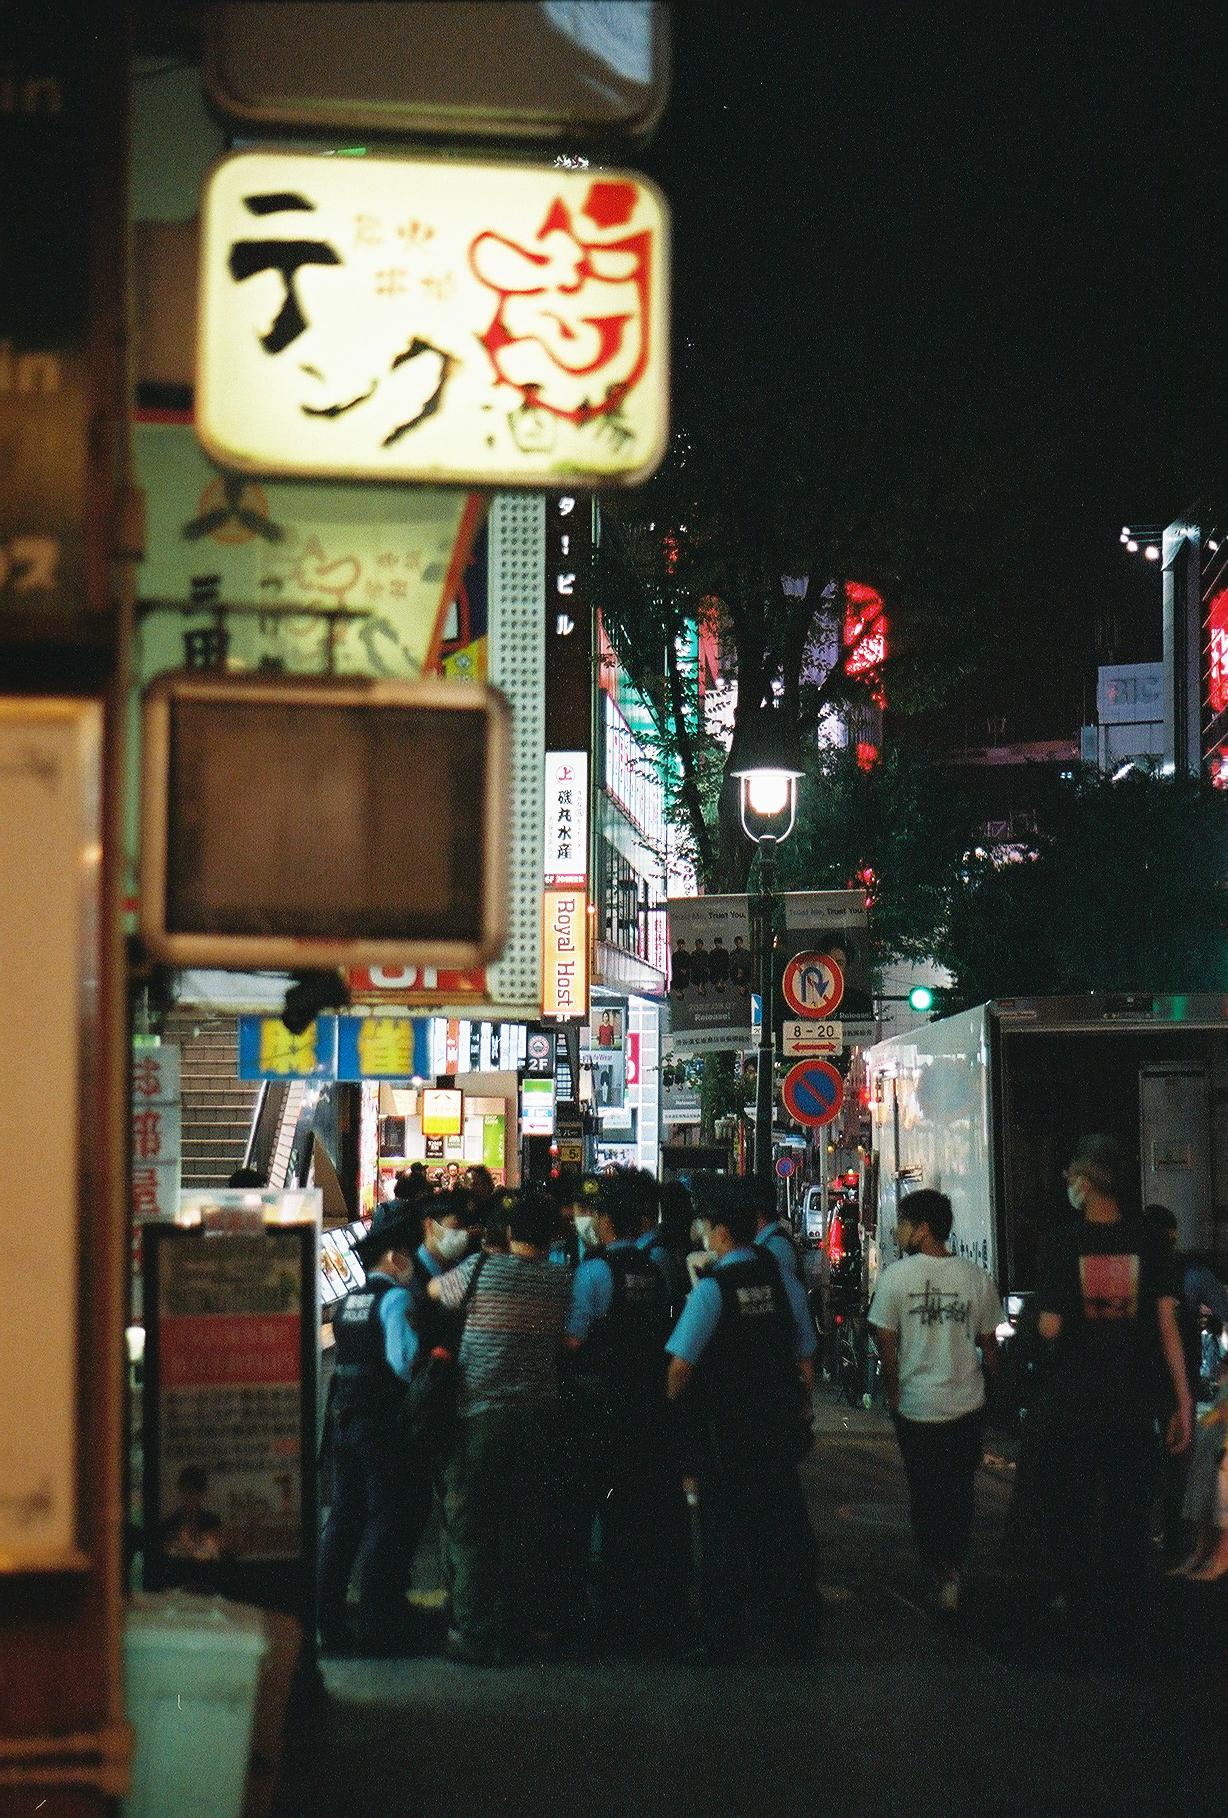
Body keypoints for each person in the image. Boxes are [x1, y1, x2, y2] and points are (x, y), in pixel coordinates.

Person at [1034, 1136, 1192, 1637]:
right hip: (1134, 1396)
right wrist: (1182, 1402)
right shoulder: (1149, 1243)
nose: (1068, 1184)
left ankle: (1077, 1599)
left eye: (1072, 1175)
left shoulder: (1061, 1244)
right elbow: (1168, 1326)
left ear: (1090, 1180)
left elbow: (1052, 1328)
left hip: (1074, 1398)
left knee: (1075, 1497)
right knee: (1129, 1500)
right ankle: (1127, 1602)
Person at [665, 1176, 819, 1663]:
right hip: (775, 1432)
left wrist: (677, 1420)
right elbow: (806, 1356)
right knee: (782, 1529)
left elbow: (680, 1367)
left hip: (726, 1436)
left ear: (720, 1230)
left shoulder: (713, 1290)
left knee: (725, 1535)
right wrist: (797, 1408)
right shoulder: (782, 1281)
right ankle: (793, 1629)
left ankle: (725, 1635)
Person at [429, 1187, 574, 1664]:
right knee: (522, 1528)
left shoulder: (481, 1270)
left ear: (509, 1232)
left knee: (472, 1528)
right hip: (538, 1419)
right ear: (553, 1235)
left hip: (479, 1419)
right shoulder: (560, 1281)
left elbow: (434, 1291)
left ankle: (474, 1634)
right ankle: (515, 1630)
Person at [563, 1172, 689, 1653]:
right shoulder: (653, 1271)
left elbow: (574, 1338)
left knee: (595, 1501)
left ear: (607, 1222)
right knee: (639, 1505)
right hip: (646, 1400)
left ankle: (605, 1612)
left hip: (600, 1403)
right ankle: (644, 1610)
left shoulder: (595, 1273)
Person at [868, 1189, 1004, 1612]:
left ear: (923, 1228)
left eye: (905, 1222)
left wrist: (893, 1392)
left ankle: (939, 1569)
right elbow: (990, 1347)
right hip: (966, 1402)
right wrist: (992, 1391)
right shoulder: (975, 1277)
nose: (899, 1230)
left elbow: (886, 1344)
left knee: (924, 1490)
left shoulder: (895, 1278)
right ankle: (953, 1567)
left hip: (917, 1405)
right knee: (959, 1489)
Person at [317, 1200, 426, 1655]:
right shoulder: (396, 1298)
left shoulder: (350, 1302)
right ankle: (377, 1621)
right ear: (395, 1257)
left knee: (343, 1519)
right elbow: (404, 1363)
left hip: (343, 1419)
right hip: (382, 1423)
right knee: (386, 1518)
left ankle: (327, 1617)